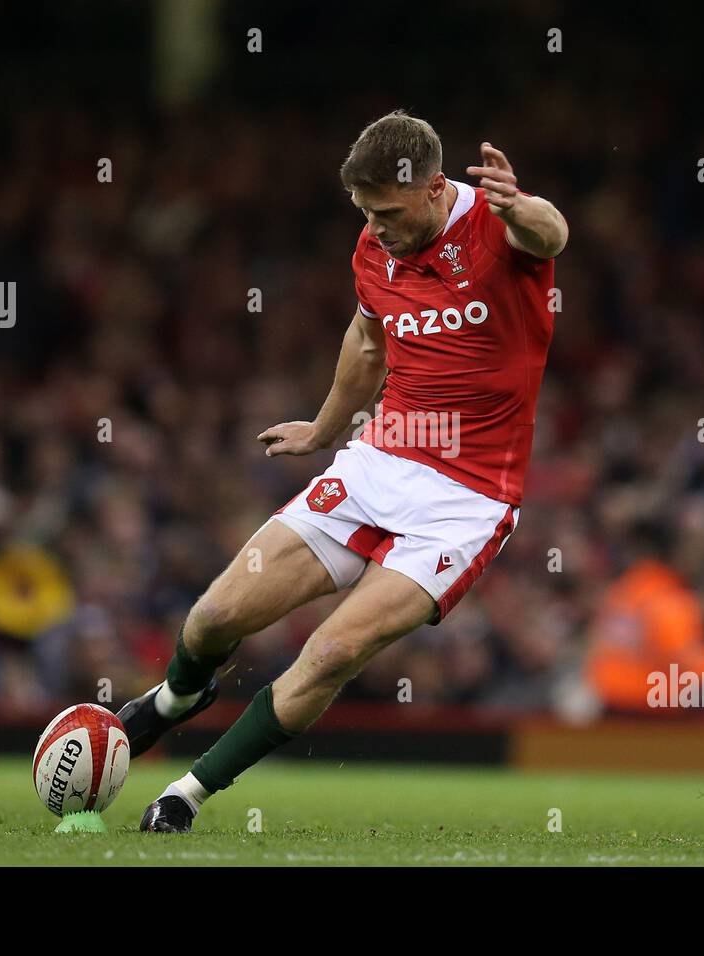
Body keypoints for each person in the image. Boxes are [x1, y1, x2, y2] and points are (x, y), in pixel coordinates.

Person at [119, 111, 569, 832]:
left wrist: (524, 206)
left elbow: (550, 234)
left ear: (430, 190)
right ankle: (174, 701)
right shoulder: (374, 246)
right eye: (364, 212)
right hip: (377, 462)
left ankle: (185, 795)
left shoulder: (498, 226)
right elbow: (366, 341)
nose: (375, 226)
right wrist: (326, 429)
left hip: (468, 499)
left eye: (387, 211)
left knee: (331, 649)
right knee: (213, 619)